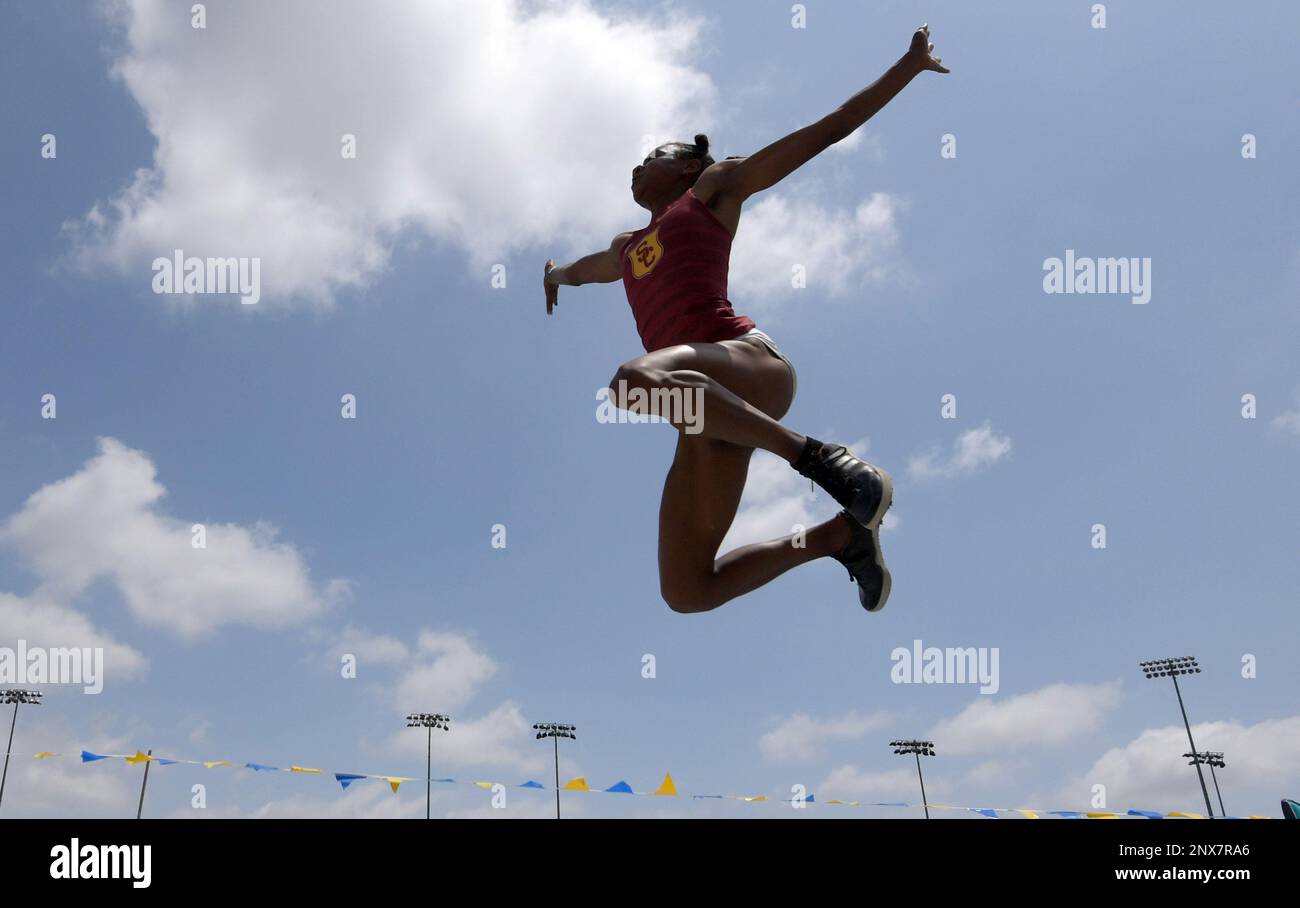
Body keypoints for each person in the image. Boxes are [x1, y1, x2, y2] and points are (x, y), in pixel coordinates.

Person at [544, 25, 948, 614]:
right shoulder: (626, 245)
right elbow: (584, 270)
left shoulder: (713, 188)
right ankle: (839, 536)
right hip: (708, 414)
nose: (635, 167)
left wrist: (905, 70)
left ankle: (821, 459)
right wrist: (554, 276)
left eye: (649, 157)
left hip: (749, 365)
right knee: (686, 591)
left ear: (688, 168)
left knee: (631, 383)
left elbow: (825, 131)